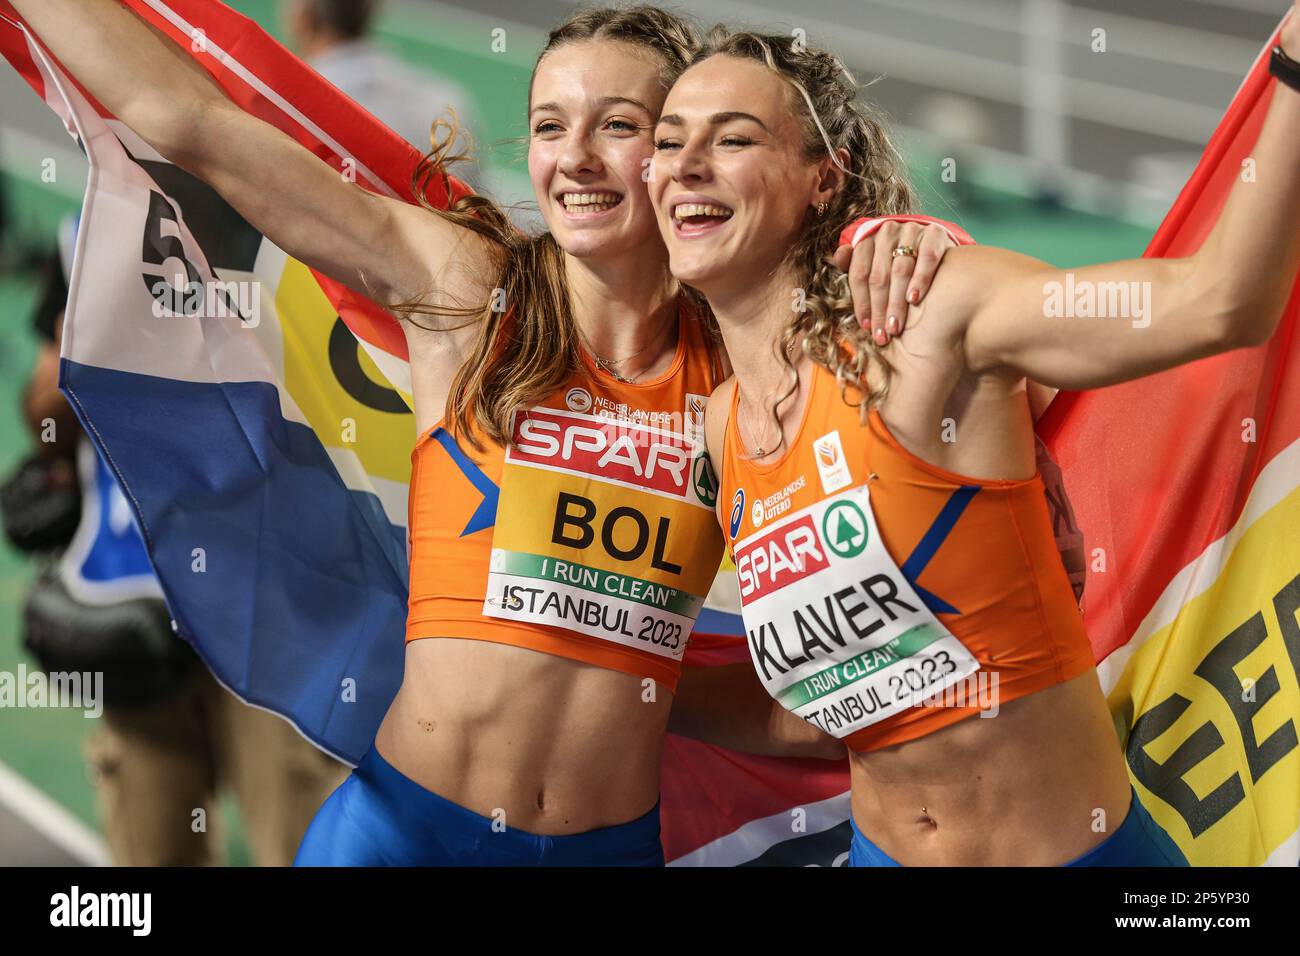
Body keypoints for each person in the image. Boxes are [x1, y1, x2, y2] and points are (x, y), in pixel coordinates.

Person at [10, 0, 960, 865]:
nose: (574, 157)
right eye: (550, 127)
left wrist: (923, 246)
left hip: (610, 850)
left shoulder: (747, 363)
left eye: (618, 126)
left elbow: (958, 362)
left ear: (681, 153)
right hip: (399, 834)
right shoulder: (467, 293)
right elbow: (196, 127)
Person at [648, 16, 1300, 865]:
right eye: (668, 141)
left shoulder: (928, 315)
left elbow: (1221, 303)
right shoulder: (717, 427)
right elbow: (836, 707)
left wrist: (1291, 68)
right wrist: (606, 685)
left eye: (733, 138)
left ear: (823, 177)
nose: (687, 165)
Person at [11, 216, 347, 866]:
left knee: (304, 845)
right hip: (132, 605)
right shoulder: (85, 234)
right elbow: (44, 405)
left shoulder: (289, 229)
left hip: (270, 618)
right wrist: (85, 351)